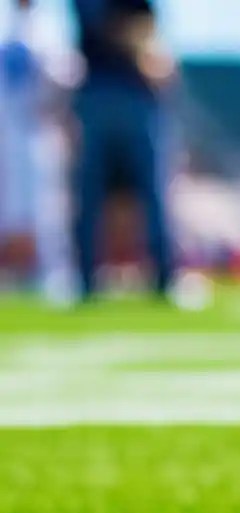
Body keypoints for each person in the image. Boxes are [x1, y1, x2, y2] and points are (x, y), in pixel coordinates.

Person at [69, 0, 176, 302]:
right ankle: (86, 280)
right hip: (104, 95)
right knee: (91, 193)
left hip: (130, 94)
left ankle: (164, 277)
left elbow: (146, 25)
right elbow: (114, 27)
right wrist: (138, 41)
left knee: (152, 191)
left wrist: (151, 52)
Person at [1, 0, 74, 304]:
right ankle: (14, 273)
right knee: (9, 206)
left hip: (39, 133)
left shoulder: (50, 30)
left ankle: (53, 273)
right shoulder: (7, 28)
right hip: (8, 133)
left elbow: (66, 77)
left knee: (47, 206)